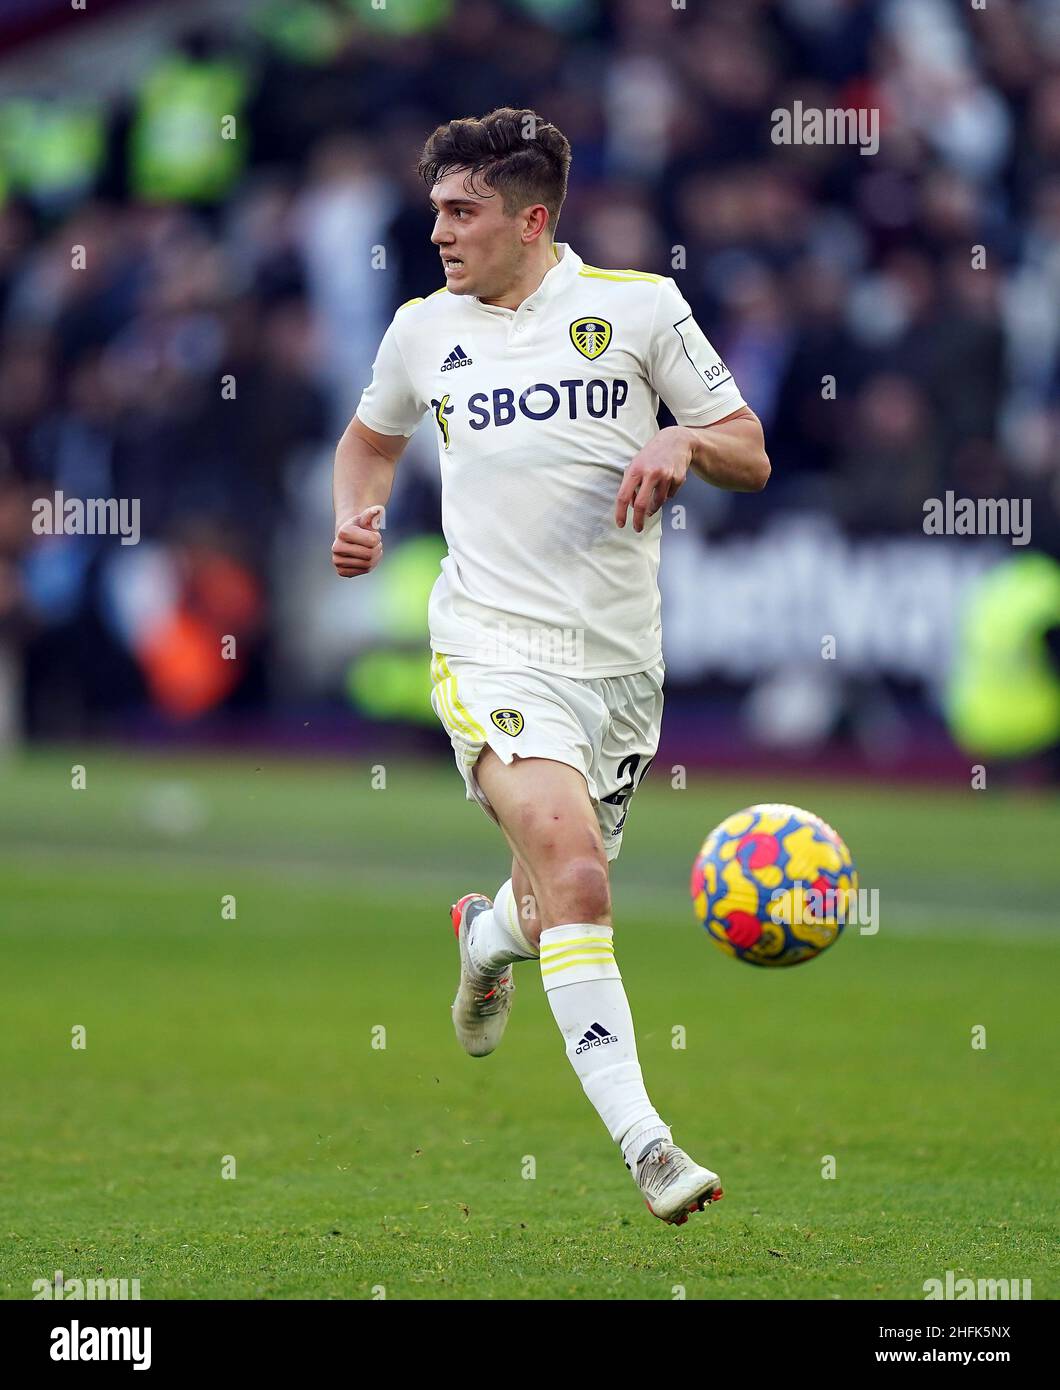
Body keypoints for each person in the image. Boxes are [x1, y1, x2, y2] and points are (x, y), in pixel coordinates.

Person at [332, 108, 770, 1224]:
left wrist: (682, 440)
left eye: (462, 210)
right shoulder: (421, 332)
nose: (439, 229)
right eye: (436, 208)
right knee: (581, 879)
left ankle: (486, 938)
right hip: (489, 645)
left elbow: (750, 450)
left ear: (531, 220)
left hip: (619, 667)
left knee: (546, 902)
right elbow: (372, 437)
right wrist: (360, 514)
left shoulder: (637, 309)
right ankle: (651, 1147)